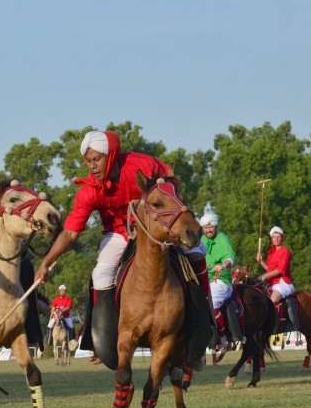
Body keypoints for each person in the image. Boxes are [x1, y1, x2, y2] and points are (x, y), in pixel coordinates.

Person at [35, 130, 207, 367]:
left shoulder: (140, 164)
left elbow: (168, 175)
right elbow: (71, 232)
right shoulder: (89, 190)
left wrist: (169, 202)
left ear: (111, 154)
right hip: (118, 234)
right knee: (101, 273)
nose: (93, 166)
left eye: (97, 159)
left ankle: (202, 328)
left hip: (157, 228)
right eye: (88, 161)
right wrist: (45, 262)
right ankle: (100, 341)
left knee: (198, 252)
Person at [200, 212, 240, 363]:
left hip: (221, 281)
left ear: (215, 226)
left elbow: (230, 256)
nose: (208, 230)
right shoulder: (203, 239)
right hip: (205, 280)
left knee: (212, 303)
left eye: (210, 227)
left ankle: (223, 340)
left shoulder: (222, 238)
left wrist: (223, 265)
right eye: (205, 227)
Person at [256, 225, 300, 332]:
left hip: (283, 283)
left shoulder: (284, 251)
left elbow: (280, 270)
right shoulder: (272, 253)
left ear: (282, 238)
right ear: (271, 239)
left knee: (271, 301)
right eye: (274, 237)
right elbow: (270, 270)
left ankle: (279, 324)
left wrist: (265, 276)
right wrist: (261, 261)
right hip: (272, 283)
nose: (276, 239)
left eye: (278, 237)